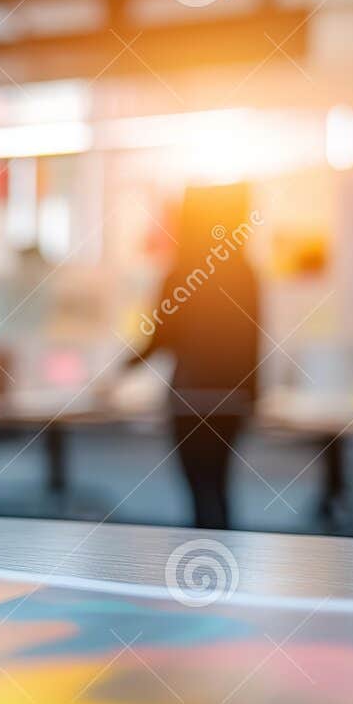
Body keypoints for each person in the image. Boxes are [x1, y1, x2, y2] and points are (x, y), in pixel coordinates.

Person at [121, 184, 262, 531]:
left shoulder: (179, 273)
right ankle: (224, 555)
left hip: (189, 399)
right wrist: (254, 396)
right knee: (219, 486)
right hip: (231, 399)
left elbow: (160, 339)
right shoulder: (245, 272)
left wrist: (116, 371)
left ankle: (203, 557)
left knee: (199, 490)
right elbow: (255, 341)